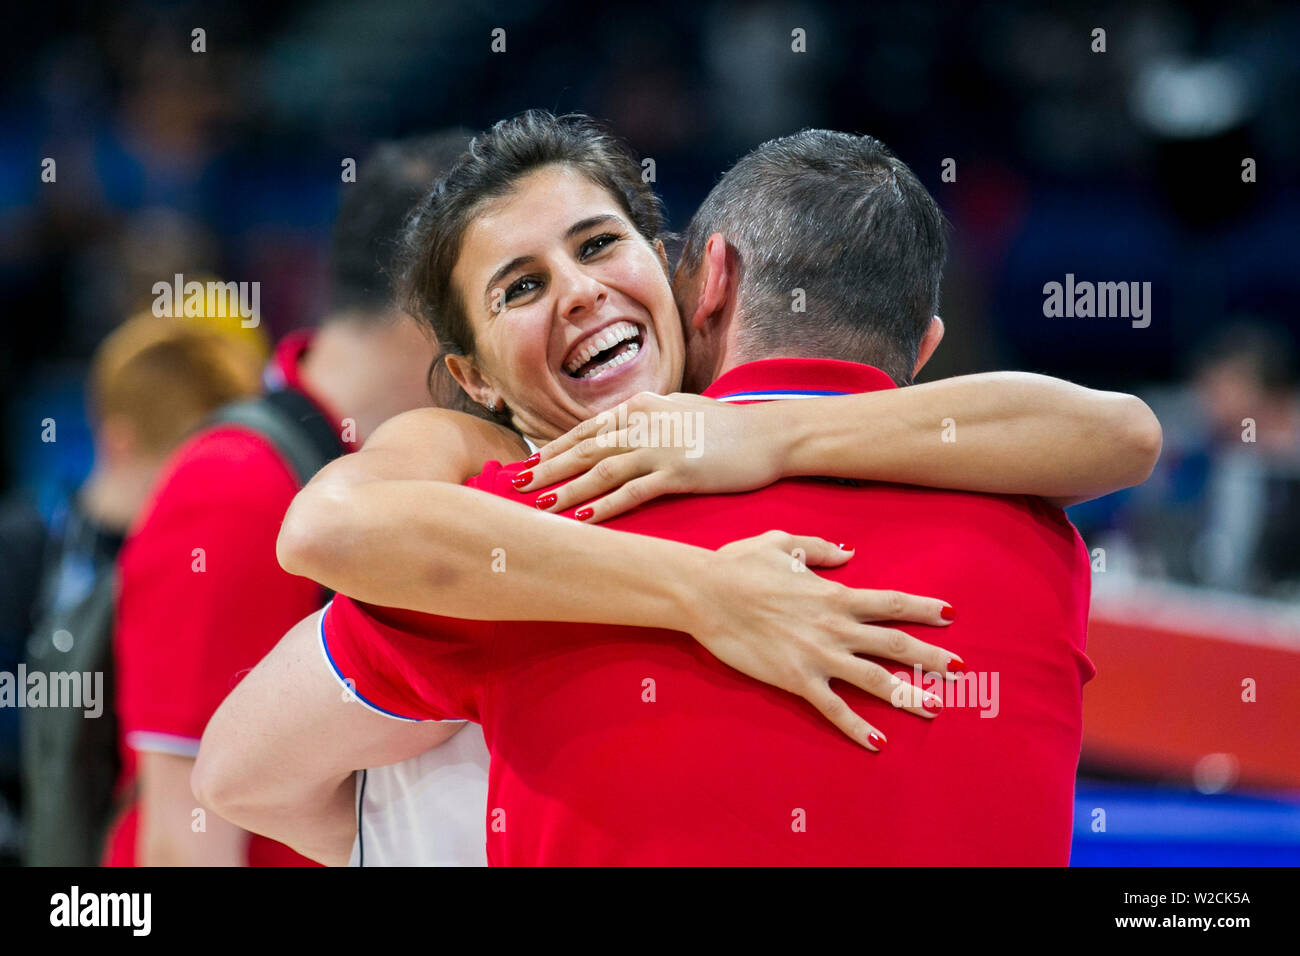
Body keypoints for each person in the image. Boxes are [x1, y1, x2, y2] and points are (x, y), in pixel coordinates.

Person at [195, 112, 1161, 865]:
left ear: (685, 275)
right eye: (520, 288)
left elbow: (1119, 430)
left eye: (597, 245)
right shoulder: (481, 498)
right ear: (476, 375)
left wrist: (753, 434)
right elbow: (323, 536)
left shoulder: (828, 450)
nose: (577, 290)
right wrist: (701, 591)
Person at [103, 132, 469, 867]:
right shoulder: (235, 485)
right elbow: (183, 840)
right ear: (425, 304)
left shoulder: (377, 462)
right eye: (507, 287)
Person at [20, 312, 263, 866]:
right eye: (193, 468)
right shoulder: (23, 556)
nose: (211, 495)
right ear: (121, 442)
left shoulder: (215, 566)